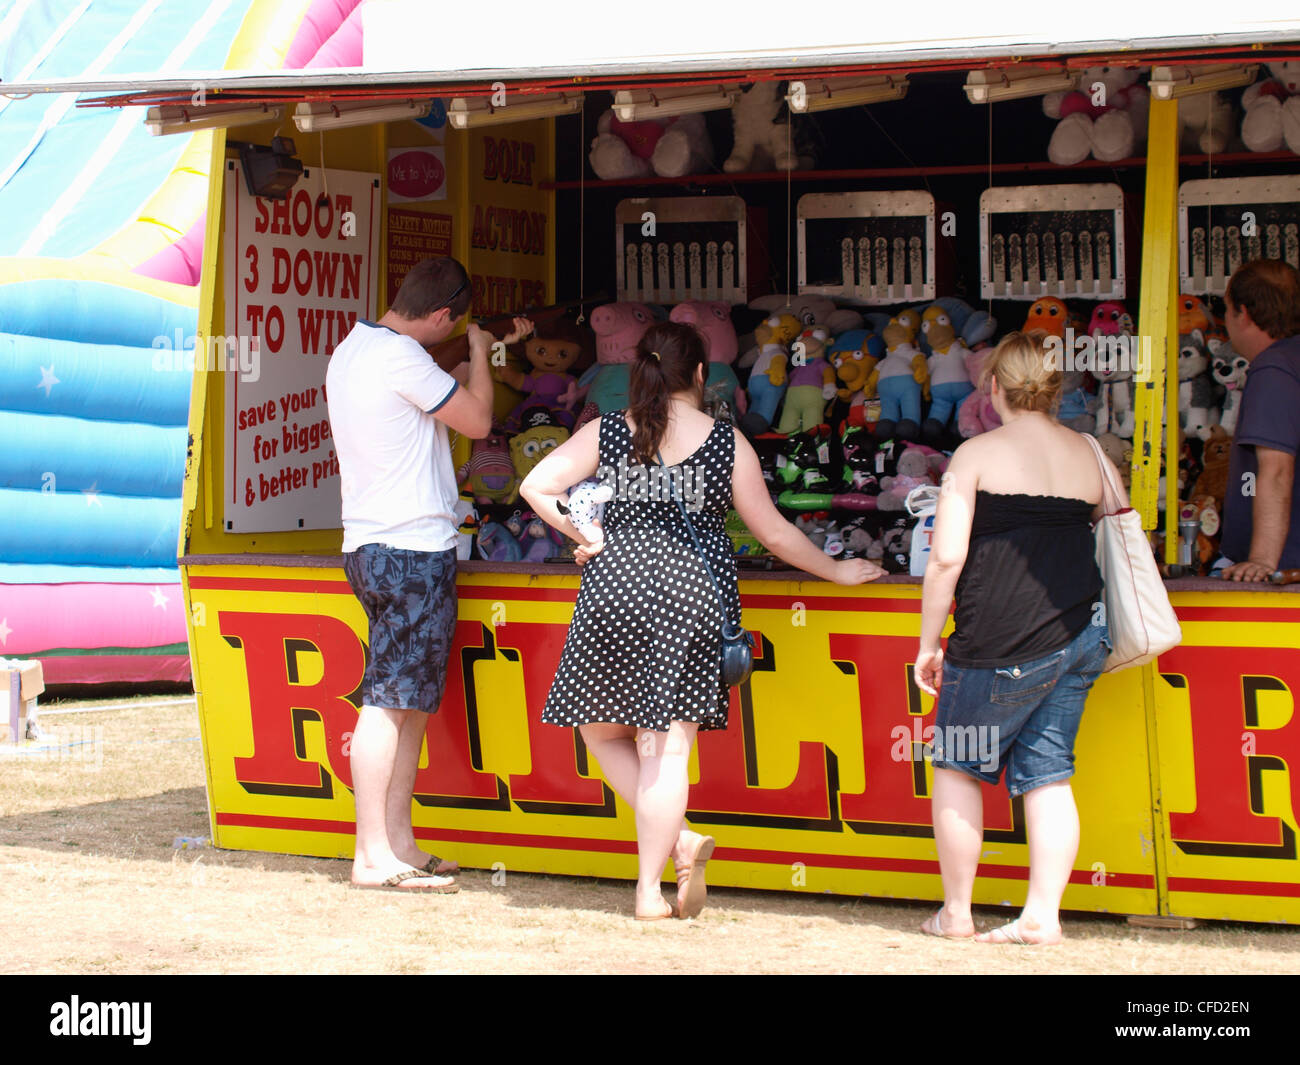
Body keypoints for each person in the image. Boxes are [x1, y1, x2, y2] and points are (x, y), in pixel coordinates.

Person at [520, 321, 884, 920]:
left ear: (642, 374)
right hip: (691, 593)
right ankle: (650, 887)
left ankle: (677, 852)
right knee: (665, 749)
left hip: (614, 584)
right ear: (698, 376)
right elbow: (771, 532)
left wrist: (585, 531)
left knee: (601, 732)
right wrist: (837, 571)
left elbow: (538, 484)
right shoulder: (727, 441)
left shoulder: (608, 430)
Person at [327, 255, 531, 892]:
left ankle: (397, 842)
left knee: (405, 702)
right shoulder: (403, 359)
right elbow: (477, 420)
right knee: (388, 703)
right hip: (411, 549)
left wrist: (482, 353)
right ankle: (370, 855)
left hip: (376, 544)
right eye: (457, 324)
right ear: (443, 315)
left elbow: (442, 393)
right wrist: (480, 352)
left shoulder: (357, 349)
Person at [914, 331, 1111, 945]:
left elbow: (946, 559)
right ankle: (1041, 918)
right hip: (1079, 635)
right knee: (1049, 773)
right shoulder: (1091, 451)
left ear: (993, 386)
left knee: (955, 765)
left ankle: (957, 913)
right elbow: (1121, 529)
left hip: (997, 642)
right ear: (1055, 390)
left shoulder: (974, 454)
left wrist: (927, 643)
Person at [1217, 259, 1300, 581]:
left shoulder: (1274, 369)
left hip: (1288, 569)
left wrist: (1263, 560)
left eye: (1225, 310)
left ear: (1244, 312)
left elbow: (1277, 468)